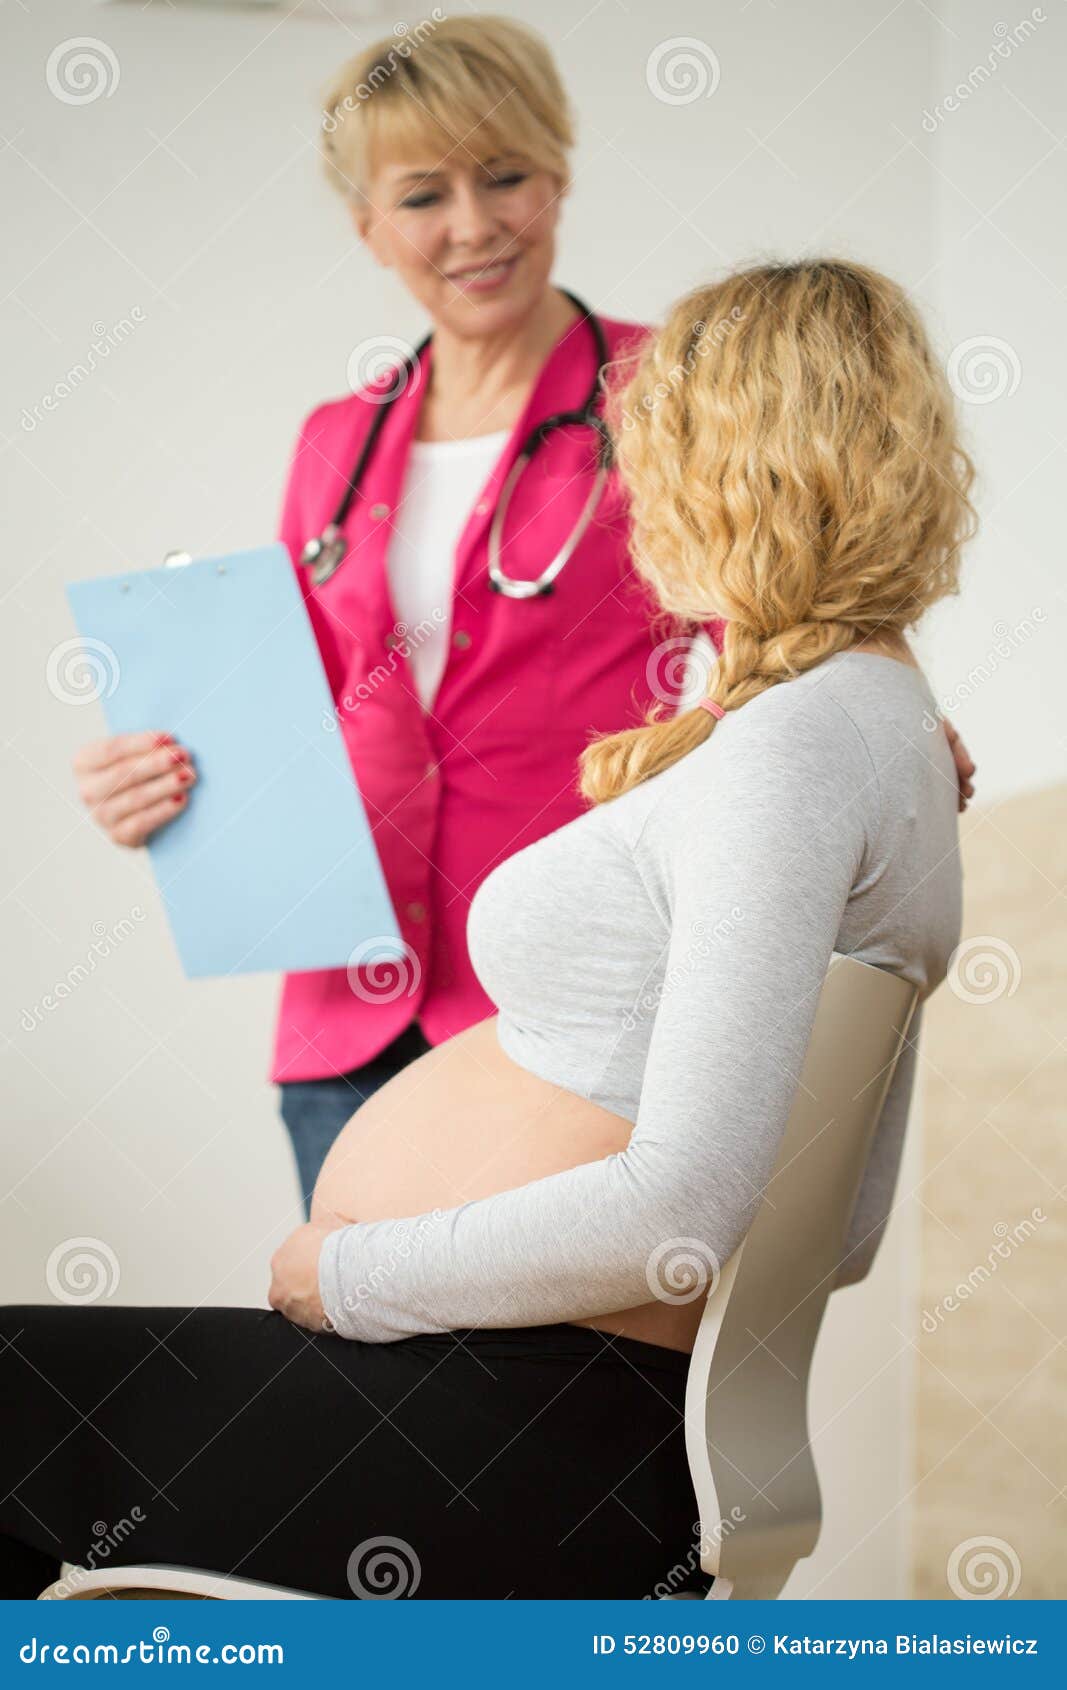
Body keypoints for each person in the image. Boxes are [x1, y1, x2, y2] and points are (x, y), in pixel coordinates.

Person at [3, 257, 974, 1599]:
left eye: (650, 456)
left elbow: (686, 1206)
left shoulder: (792, 751)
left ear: (715, 471)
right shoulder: (869, 729)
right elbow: (839, 1231)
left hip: (534, 1431)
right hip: (532, 1398)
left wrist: (344, 1273)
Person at [68, 16, 974, 1214]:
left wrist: (881, 698)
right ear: (366, 225)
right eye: (421, 194)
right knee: (360, 1375)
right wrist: (163, 782)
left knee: (546, 1379)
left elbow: (799, 578)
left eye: (505, 176)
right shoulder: (336, 442)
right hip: (347, 1011)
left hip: (570, 991)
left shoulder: (670, 393)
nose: (473, 224)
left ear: (558, 174)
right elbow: (295, 708)